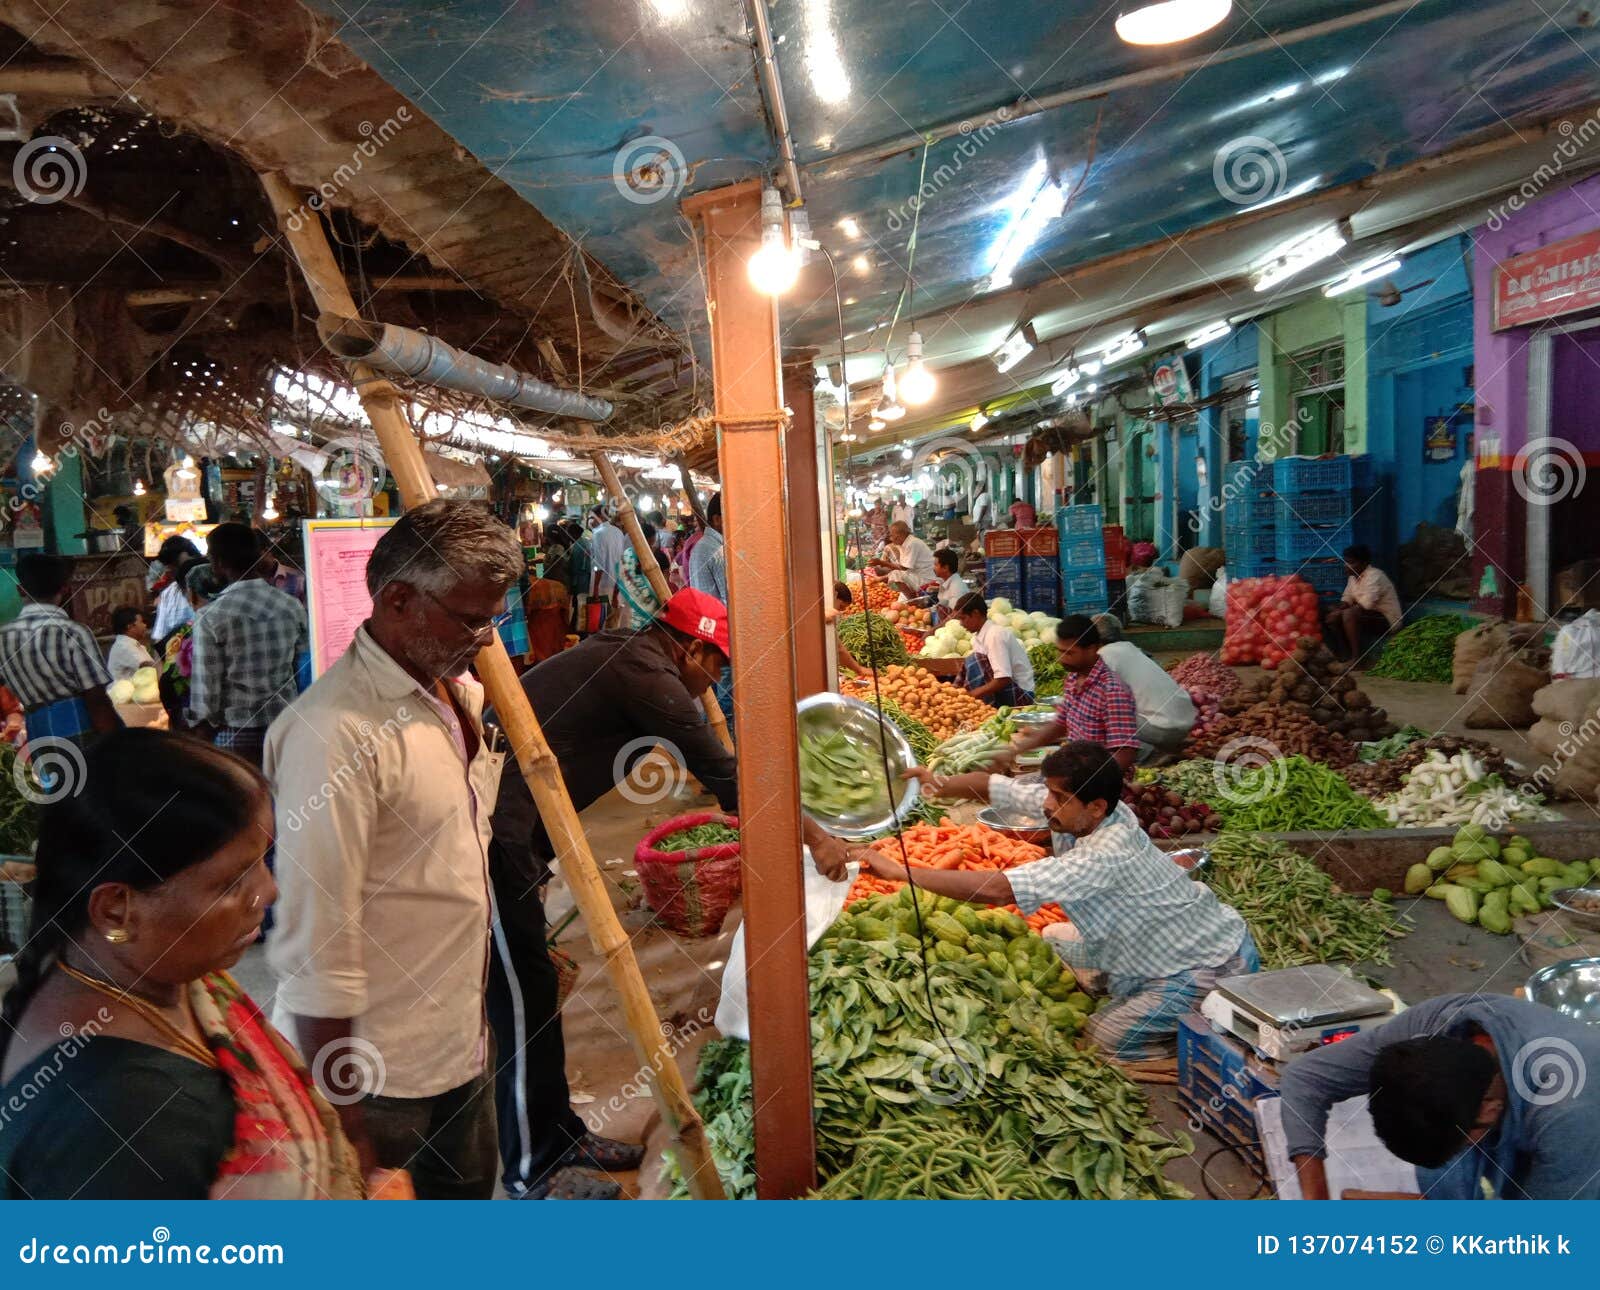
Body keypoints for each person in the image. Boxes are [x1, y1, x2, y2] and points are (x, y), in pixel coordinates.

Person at [485, 588, 851, 1199]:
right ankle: (531, 1168)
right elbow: (724, 773)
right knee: (521, 995)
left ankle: (561, 1133)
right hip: (492, 835)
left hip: (524, 833)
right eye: (718, 665)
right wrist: (814, 837)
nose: (715, 681)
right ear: (691, 647)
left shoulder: (635, 656)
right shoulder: (645, 674)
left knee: (539, 986)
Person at [266, 500, 523, 1200]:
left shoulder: (451, 699)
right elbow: (316, 943)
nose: (487, 639)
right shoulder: (333, 734)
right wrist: (347, 1127)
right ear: (399, 600)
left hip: (459, 1044)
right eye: (471, 619)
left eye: (492, 617)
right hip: (376, 1077)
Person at [0, 729, 364, 1199]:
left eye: (262, 860)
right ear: (116, 910)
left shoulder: (132, 974)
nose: (268, 892)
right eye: (233, 882)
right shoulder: (128, 1121)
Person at [877, 742, 1256, 1063]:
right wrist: (935, 784)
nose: (1046, 804)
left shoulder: (1105, 854)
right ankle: (1133, 993)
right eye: (1049, 791)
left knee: (1101, 1040)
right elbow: (992, 787)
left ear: (1095, 807)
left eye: (1059, 797)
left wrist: (901, 873)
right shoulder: (1082, 807)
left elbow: (997, 890)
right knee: (1053, 933)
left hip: (1204, 967)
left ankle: (1198, 1036)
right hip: (1147, 943)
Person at [1278, 993, 1600, 1200]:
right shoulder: (1434, 1026)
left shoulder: (1570, 1112)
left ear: (1489, 1111)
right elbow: (1304, 1079)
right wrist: (1315, 1203)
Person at [186, 523, 308, 768]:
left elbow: (206, 694)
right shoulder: (290, 606)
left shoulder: (211, 616)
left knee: (246, 802)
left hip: (236, 733)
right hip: (286, 725)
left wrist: (199, 738)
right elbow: (303, 667)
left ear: (218, 562)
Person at [0, 553, 119, 753]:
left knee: (58, 784)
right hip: (79, 726)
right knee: (91, 783)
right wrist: (116, 742)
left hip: (38, 732)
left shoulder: (3, 637)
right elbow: (96, 699)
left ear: (20, 590)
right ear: (65, 589)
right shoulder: (73, 632)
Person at [1005, 615, 1140, 771]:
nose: (1061, 659)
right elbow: (1060, 724)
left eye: (1069, 653)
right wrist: (1017, 750)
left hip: (1097, 782)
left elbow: (1125, 753)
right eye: (1059, 651)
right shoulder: (1073, 678)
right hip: (1075, 772)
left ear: (1092, 649)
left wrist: (1091, 784)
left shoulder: (1112, 691)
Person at [1090, 614, 1195, 759]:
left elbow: (1095, 699)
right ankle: (1168, 747)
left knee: (1096, 714)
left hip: (1163, 729)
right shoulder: (1132, 649)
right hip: (1186, 724)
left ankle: (1149, 755)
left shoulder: (1105, 656)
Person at [688, 494, 733, 725]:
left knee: (717, 700)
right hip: (721, 635)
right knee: (726, 702)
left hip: (709, 631)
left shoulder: (704, 546)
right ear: (717, 519)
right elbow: (730, 599)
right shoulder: (716, 550)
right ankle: (727, 753)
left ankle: (713, 748)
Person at [952, 592, 1033, 707]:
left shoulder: (995, 635)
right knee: (972, 659)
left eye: (963, 618)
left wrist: (971, 695)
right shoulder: (978, 638)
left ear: (975, 614)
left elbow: (1003, 678)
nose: (961, 624)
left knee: (975, 659)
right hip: (1006, 692)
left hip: (1021, 696)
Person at [1325, 543, 1401, 663]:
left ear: (1364, 563)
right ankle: (1344, 654)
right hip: (1367, 616)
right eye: (1346, 562)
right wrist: (1336, 609)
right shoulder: (1353, 577)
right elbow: (1347, 598)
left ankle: (1357, 658)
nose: (1346, 566)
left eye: (1351, 563)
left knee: (1348, 614)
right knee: (1332, 613)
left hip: (1387, 620)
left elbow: (1366, 605)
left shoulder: (1375, 576)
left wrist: (1340, 612)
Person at [150, 536, 202, 644]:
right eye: (170, 566)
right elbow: (160, 638)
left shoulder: (218, 583)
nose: (170, 570)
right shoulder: (168, 594)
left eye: (175, 565)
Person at [870, 520, 936, 598]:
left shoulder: (912, 544)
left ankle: (913, 599)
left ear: (898, 536)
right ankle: (911, 598)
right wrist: (882, 575)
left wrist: (881, 563)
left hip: (925, 579)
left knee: (896, 574)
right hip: (916, 576)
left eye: (891, 535)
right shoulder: (904, 544)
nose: (891, 539)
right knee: (900, 599)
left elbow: (903, 569)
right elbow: (902, 568)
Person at [588, 505, 629, 627]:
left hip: (602, 585)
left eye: (592, 517)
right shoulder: (618, 532)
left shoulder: (598, 533)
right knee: (614, 623)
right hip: (617, 584)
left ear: (600, 516)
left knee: (599, 624)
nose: (591, 521)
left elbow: (598, 564)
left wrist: (595, 588)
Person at [106, 605, 156, 681]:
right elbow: (149, 668)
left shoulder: (130, 644)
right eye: (142, 622)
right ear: (130, 626)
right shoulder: (124, 647)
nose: (145, 625)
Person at [829, 581, 863, 674]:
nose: (840, 611)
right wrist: (859, 669)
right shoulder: (827, 614)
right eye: (841, 606)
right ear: (834, 595)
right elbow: (839, 649)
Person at [933, 548, 969, 619]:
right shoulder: (946, 581)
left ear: (945, 568)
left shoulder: (956, 588)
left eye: (936, 565)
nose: (933, 568)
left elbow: (954, 616)